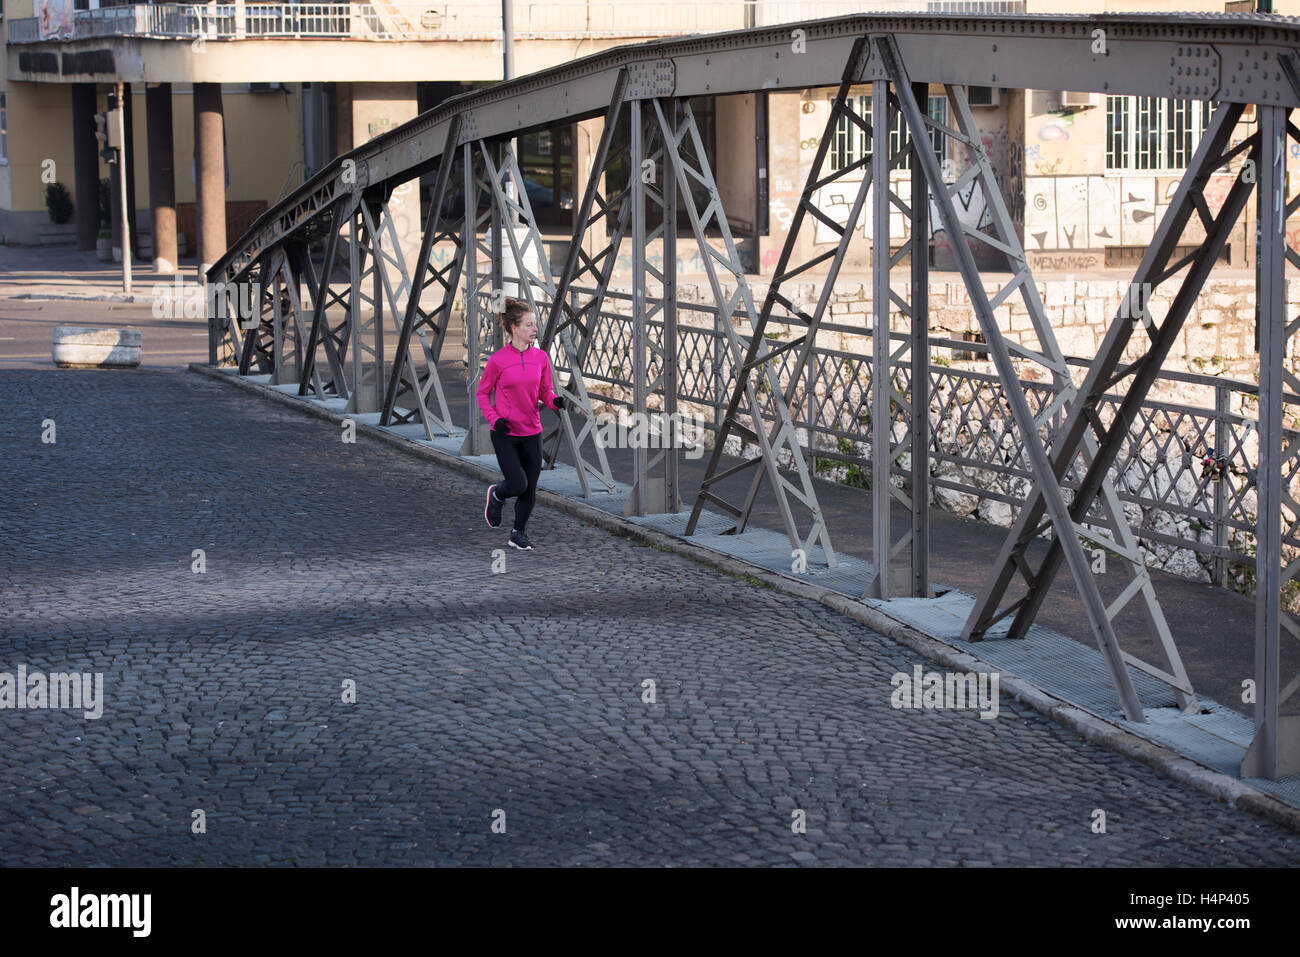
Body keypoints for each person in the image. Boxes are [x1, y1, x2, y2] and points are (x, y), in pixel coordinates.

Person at [476, 298, 566, 550]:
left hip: (531, 431)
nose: (535, 329)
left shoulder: (541, 358)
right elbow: (482, 394)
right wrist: (494, 419)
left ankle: (518, 533)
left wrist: (554, 402)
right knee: (517, 484)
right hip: (505, 433)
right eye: (529, 324)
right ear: (514, 328)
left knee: (530, 489)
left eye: (535, 324)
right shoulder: (498, 361)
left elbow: (544, 391)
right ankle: (496, 494)